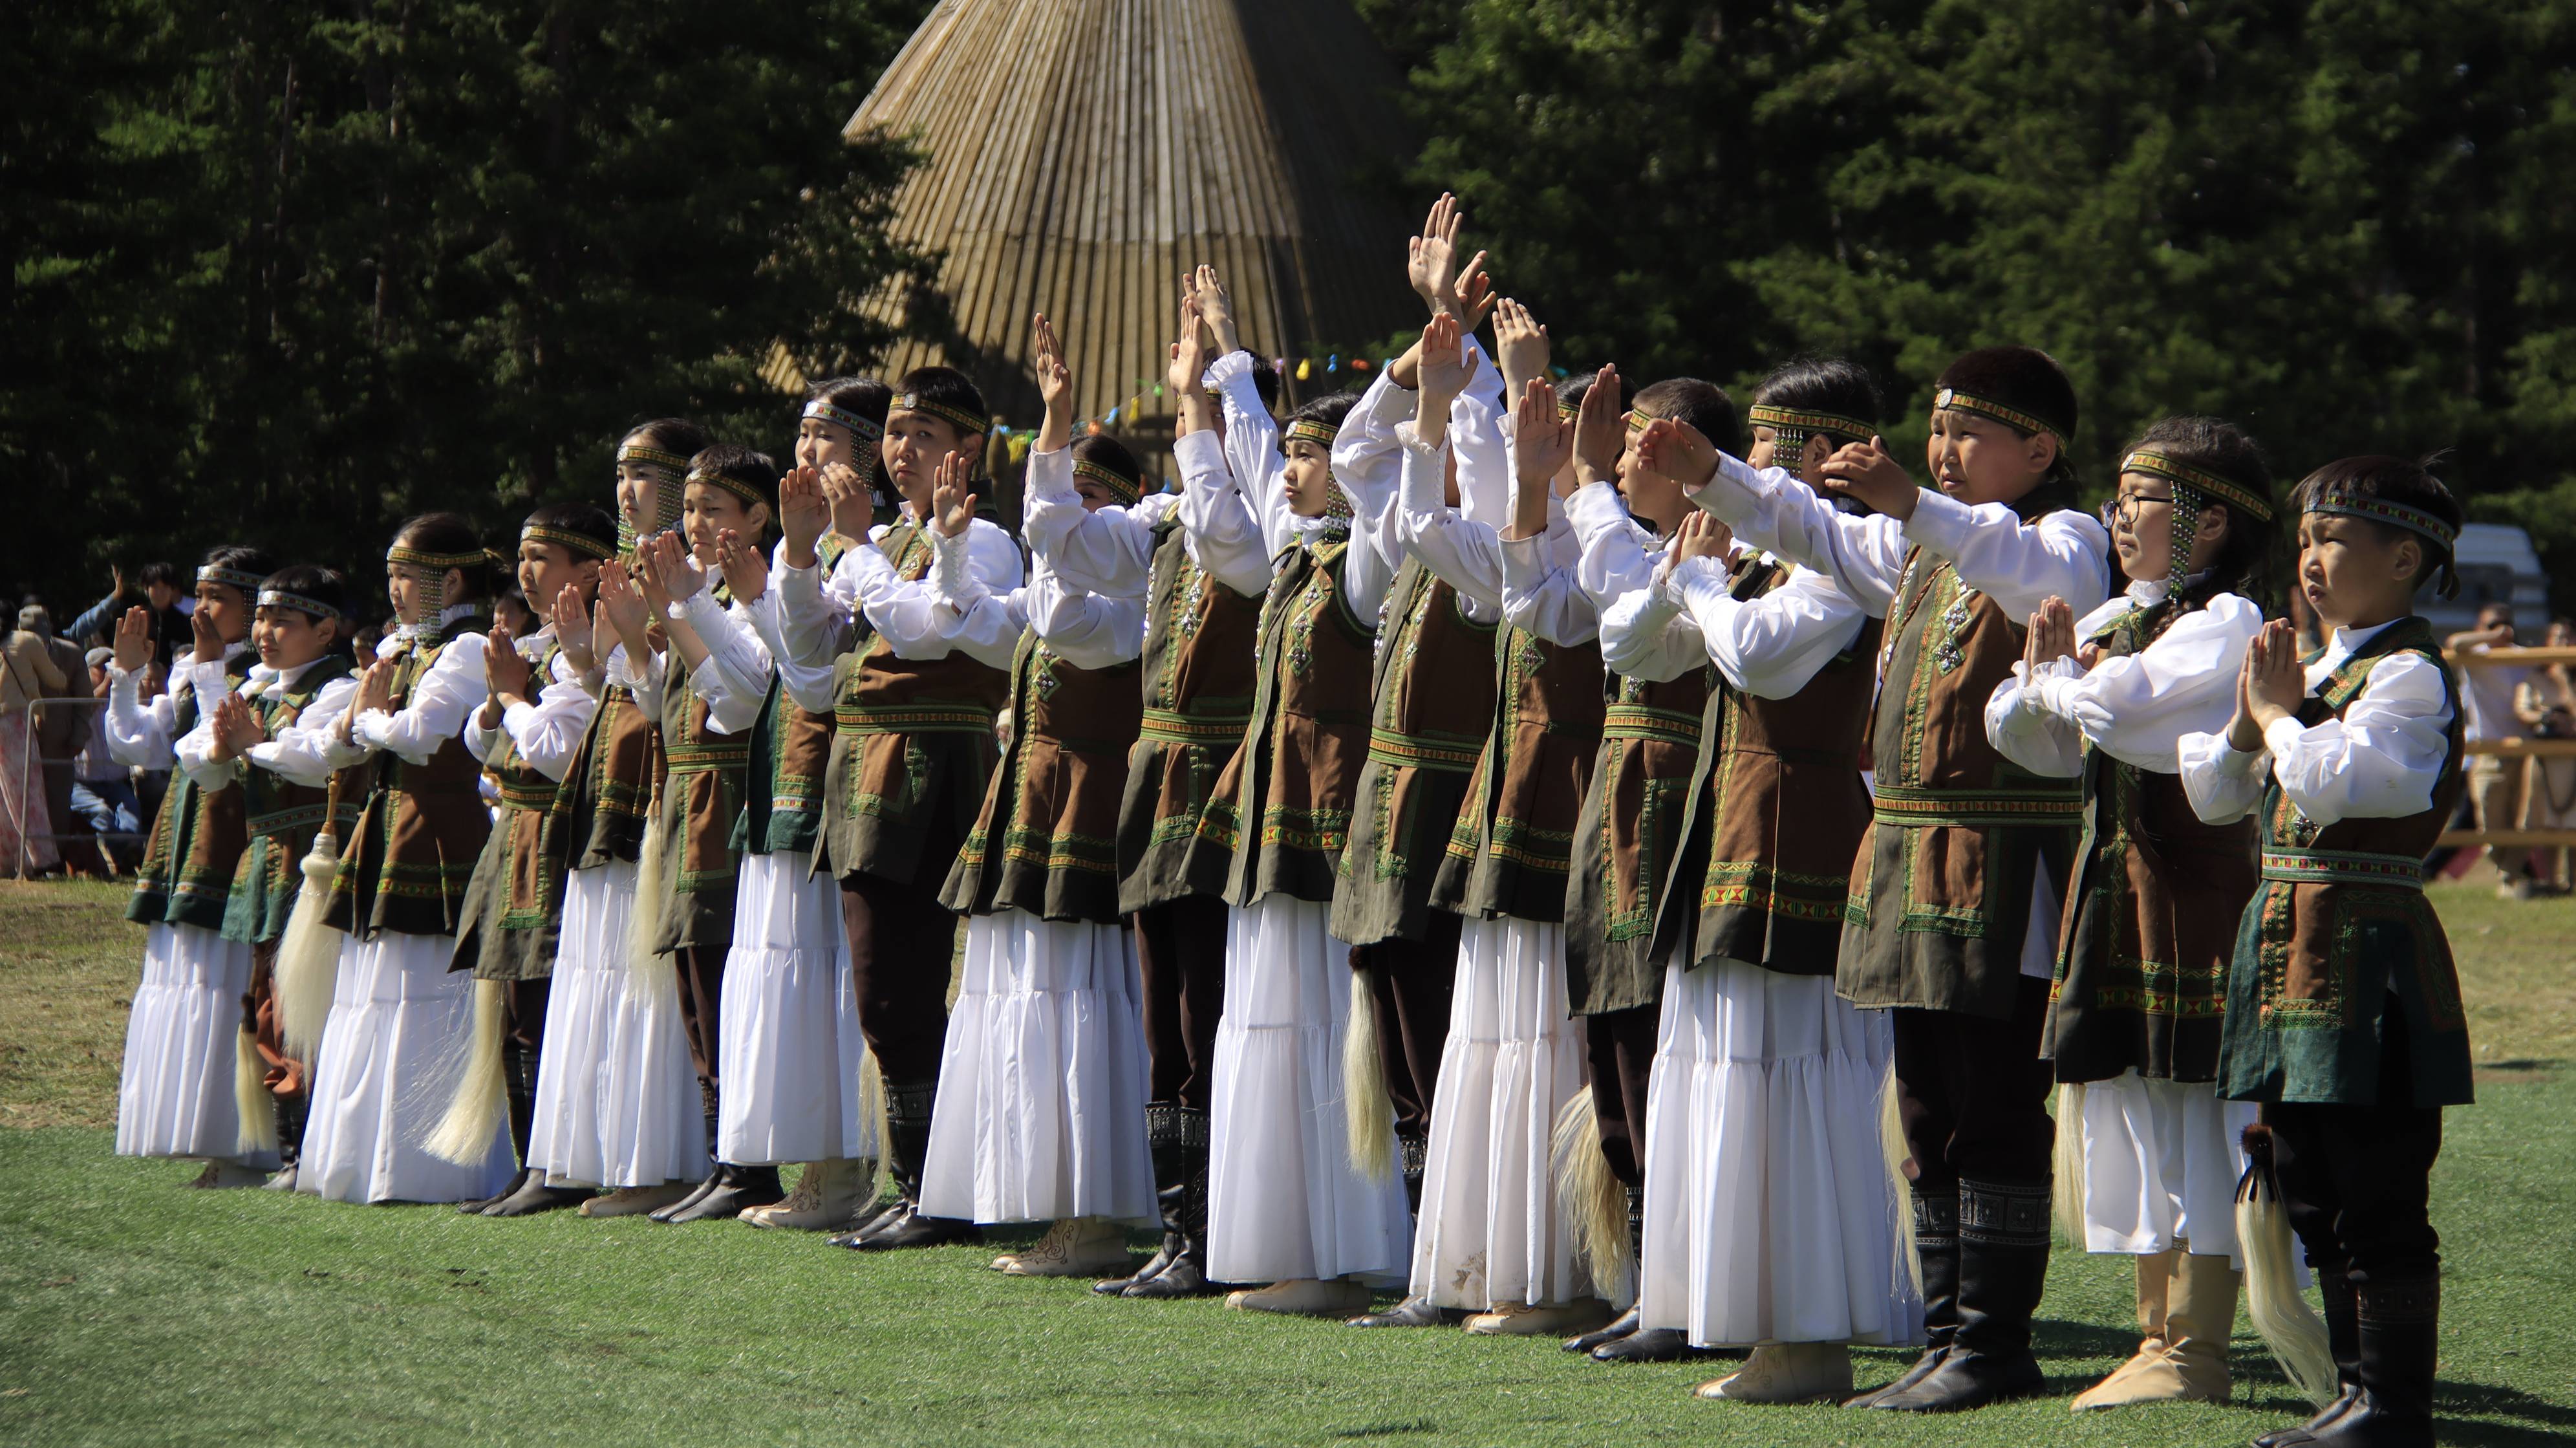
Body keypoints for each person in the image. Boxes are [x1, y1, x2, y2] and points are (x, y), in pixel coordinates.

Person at [1638, 345, 2112, 1411]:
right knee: (1924, 1105)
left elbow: (2042, 579)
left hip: (2000, 866)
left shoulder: (2063, 535)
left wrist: (1913, 499)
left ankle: (1993, 1343)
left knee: (1991, 1102)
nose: (1942, 450)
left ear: (2037, 448)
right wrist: (1710, 470)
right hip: (1905, 858)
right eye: (1938, 430)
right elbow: (1807, 526)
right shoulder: (1920, 546)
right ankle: (1946, 1336)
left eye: (1968, 433)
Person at [2180, 456, 2475, 1448]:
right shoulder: (2314, 668)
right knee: (2312, 1181)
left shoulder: (2409, 672)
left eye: (2335, 540)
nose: (2310, 559)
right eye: (2305, 538)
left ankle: (2395, 1408)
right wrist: (2244, 718)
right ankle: (2355, 1393)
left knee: (2379, 1183)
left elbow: (2342, 782)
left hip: (2371, 952)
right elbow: (2217, 799)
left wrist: (2275, 715)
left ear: (2403, 558)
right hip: (2290, 949)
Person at [1984, 419, 2277, 1410]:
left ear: (2208, 525)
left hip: (2193, 891)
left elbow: (2119, 712)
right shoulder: (2121, 614)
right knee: (2134, 1101)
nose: (2121, 512)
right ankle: (2156, 1330)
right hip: (2119, 885)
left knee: (2192, 1100)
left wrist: (2060, 681)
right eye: (2119, 491)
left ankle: (2198, 1344)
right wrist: (2056, 684)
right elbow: (2018, 726)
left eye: (2145, 496)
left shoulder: (2227, 619)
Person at [1027, 299, 1275, 1299]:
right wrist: (1054, 421)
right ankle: (1182, 1231)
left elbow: (1226, 525)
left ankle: (1216, 1232)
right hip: (1159, 785)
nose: (1188, 432)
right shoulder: (1161, 524)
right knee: (1167, 1019)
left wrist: (1204, 395)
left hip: (1220, 786)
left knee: (1207, 1008)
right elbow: (1059, 538)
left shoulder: (1255, 527)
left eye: (1207, 411)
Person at [1371, 301, 1610, 1337]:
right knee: (1494, 1031)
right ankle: (1484, 1267)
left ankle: (1557, 1274)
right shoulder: (1536, 528)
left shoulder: (1613, 548)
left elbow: (1542, 595)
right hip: (1507, 810)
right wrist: (1439, 390)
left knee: (1551, 1040)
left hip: (1574, 811)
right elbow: (1427, 525)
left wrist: (1518, 404)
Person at [915, 316, 1157, 1275]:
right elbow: (968, 624)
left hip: (1090, 814)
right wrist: (945, 546)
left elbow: (1057, 613)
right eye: (1070, 499)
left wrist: (1054, 433)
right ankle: (1050, 1203)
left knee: (1079, 1006)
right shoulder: (1062, 589)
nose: (1071, 519)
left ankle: (1093, 1218)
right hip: (1032, 806)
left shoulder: (1124, 605)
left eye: (1093, 503)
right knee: (1025, 997)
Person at [1177, 362, 1413, 1317]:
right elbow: (1246, 448)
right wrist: (1225, 369)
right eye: (1294, 454)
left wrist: (1410, 395)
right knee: (1269, 1030)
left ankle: (1344, 1251)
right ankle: (1285, 1245)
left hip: (1325, 829)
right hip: (1269, 831)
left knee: (1328, 1039)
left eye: (1308, 456)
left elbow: (1354, 481)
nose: (1289, 471)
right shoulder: (1294, 556)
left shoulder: (1364, 568)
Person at [1290, 213, 1498, 1285]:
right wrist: (1431, 331)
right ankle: (1424, 1244)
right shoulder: (1393, 548)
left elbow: (1449, 460)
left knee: (1441, 1016)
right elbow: (1362, 452)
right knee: (1393, 1009)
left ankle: (1457, 1252)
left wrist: (1453, 363)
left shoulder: (1493, 551)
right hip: (1391, 800)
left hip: (1460, 802)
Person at [776, 365, 1023, 1251]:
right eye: (896, 434)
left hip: (935, 769)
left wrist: (849, 548)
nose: (903, 450)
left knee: (909, 983)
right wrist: (805, 555)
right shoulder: (876, 540)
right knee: (881, 990)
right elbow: (806, 667)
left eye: (925, 435)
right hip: (868, 768)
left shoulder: (984, 539)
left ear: (968, 449)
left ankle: (936, 1188)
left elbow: (927, 627)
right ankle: (914, 1178)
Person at [696, 382, 890, 1233]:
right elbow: (759, 682)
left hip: (849, 763)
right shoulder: (800, 550)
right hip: (790, 757)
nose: (809, 455)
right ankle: (815, 1159)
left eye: (828, 440)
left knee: (833, 971)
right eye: (801, 439)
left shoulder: (879, 543)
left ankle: (847, 1164)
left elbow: (817, 662)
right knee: (787, 966)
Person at [298, 513, 516, 1205]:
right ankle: (360, 1161)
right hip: (388, 826)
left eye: (407, 576)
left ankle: (423, 1166)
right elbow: (345, 747)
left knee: (422, 986)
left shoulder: (464, 647)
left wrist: (365, 721)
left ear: (450, 580)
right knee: (370, 985)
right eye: (390, 574)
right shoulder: (404, 647)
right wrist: (360, 723)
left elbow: (420, 737)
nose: (393, 589)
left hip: (439, 829)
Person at [442, 503, 618, 1213]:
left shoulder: (592, 648)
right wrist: (495, 707)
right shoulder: (540, 643)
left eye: (542, 556)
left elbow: (554, 753)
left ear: (590, 568)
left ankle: (557, 1162)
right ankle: (529, 1161)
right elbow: (486, 752)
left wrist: (512, 697)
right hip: (514, 832)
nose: (525, 570)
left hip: (554, 837)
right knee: (513, 1000)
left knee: (544, 1000)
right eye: (523, 555)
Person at [105, 547, 275, 1183]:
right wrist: (126, 676)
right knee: (183, 966)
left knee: (225, 974)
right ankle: (194, 1133)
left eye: (219, 598)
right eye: (199, 596)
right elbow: (136, 745)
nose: (203, 610)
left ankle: (245, 1143)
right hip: (182, 826)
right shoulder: (187, 667)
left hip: (233, 828)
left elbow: (224, 747)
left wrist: (209, 671)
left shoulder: (264, 674)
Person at [190, 564, 362, 1189]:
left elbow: (317, 757)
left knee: (309, 1001)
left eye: (282, 620)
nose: (265, 631)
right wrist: (229, 739)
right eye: (261, 617)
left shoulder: (340, 689)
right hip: (266, 860)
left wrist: (248, 746)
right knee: (264, 1005)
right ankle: (288, 1149)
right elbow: (203, 761)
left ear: (325, 630)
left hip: (315, 863)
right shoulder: (260, 690)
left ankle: (310, 1146)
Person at [2447, 601, 2530, 898]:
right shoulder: (2476, 655)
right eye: (2492, 624)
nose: (2501, 630)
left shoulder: (2525, 656)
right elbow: (2455, 643)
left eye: (2505, 623)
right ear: (2480, 628)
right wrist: (2490, 639)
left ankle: (2510, 880)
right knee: (2490, 827)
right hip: (2487, 752)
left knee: (2522, 823)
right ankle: (2508, 873)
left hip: (2524, 752)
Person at [0, 605, 69, 876]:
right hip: (16, 723)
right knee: (28, 792)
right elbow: (57, 679)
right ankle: (42, 859)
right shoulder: (26, 641)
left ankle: (8, 860)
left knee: (4, 799)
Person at [70, 646, 145, 875]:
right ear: (87, 671)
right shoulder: (75, 697)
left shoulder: (120, 700)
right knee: (102, 813)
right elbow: (86, 707)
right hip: (81, 782)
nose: (108, 671)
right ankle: (126, 855)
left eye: (111, 666)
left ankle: (125, 857)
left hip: (115, 780)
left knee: (130, 809)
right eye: (101, 668)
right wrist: (106, 685)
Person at [2512, 620, 2576, 888]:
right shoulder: (2534, 678)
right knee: (2549, 821)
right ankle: (2551, 881)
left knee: (2573, 822)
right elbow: (2523, 710)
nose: (2562, 643)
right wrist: (2548, 718)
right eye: (2557, 638)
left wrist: (2563, 683)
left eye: (2568, 638)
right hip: (2545, 760)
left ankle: (2573, 881)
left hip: (2572, 760)